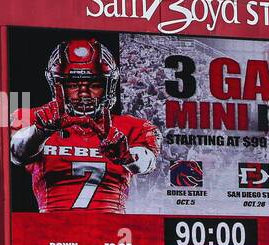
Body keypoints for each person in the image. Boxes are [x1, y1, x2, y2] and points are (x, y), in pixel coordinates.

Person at [11, 38, 159, 212]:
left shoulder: (133, 126)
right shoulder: (35, 117)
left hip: (112, 232)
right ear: (56, 85)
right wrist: (41, 131)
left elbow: (146, 162)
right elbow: (17, 154)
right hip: (51, 231)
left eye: (94, 84)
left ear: (108, 85)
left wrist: (127, 157)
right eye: (73, 84)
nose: (83, 93)